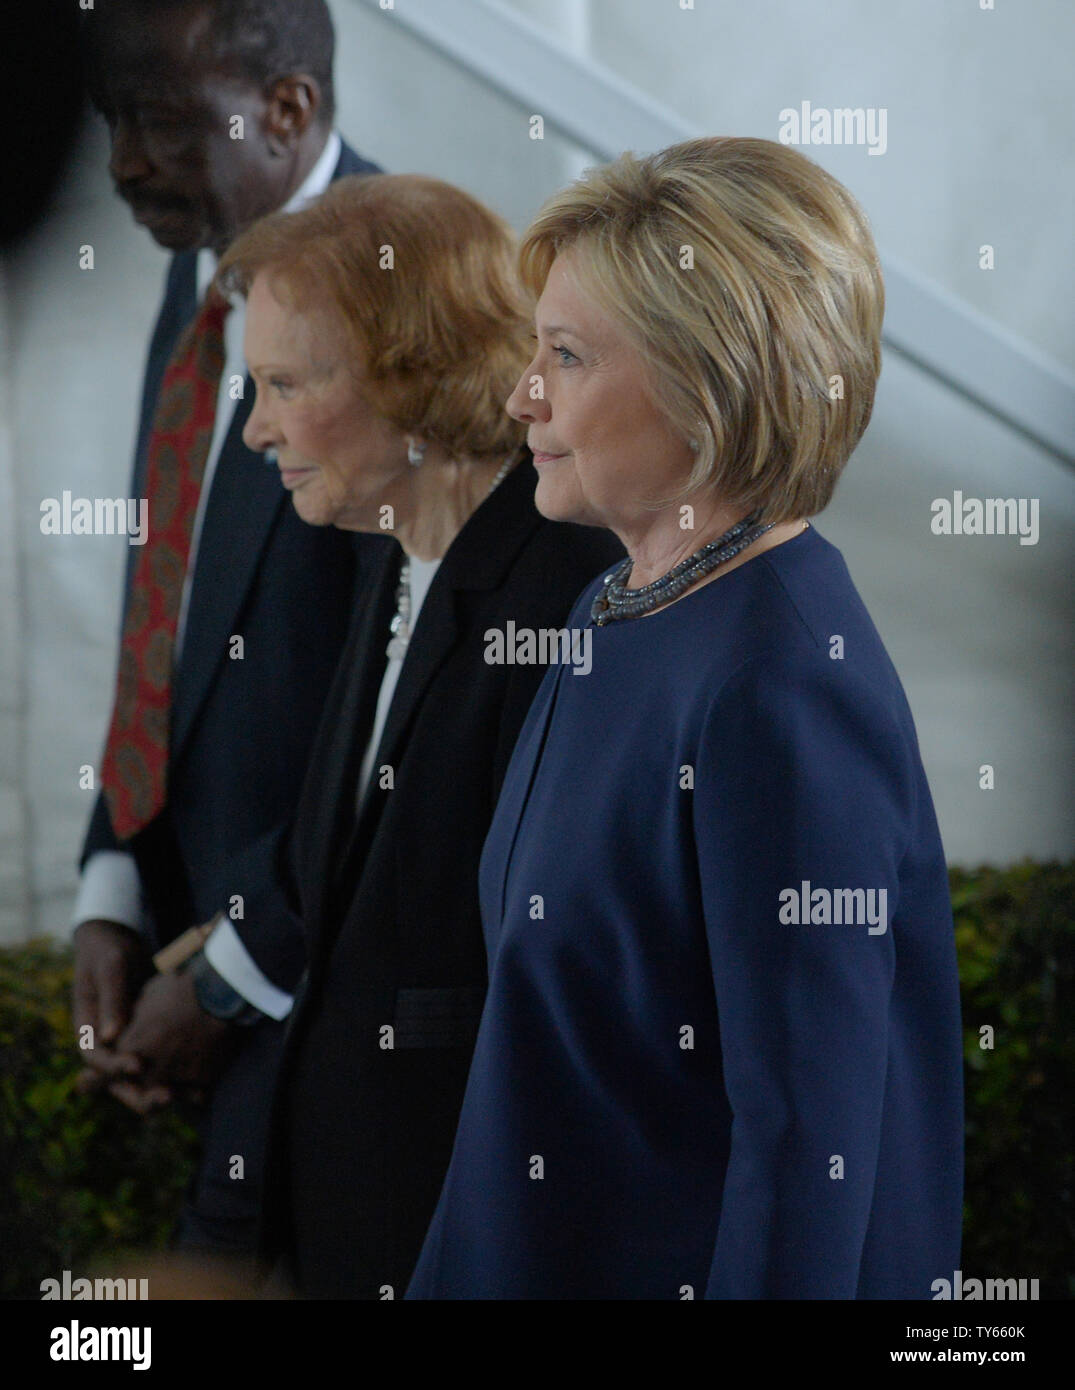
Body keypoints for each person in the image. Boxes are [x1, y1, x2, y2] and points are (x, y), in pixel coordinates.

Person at [406, 137, 964, 1300]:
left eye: (564, 355)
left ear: (709, 387)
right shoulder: (612, 603)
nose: (523, 393)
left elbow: (808, 1151)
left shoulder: (781, 684)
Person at [214, 171, 623, 1298]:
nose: (257, 430)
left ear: (417, 369)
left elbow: (558, 992)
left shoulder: (565, 594)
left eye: (288, 384)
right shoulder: (399, 558)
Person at [70, 0, 381, 1256]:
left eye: (156, 124)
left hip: (328, 1002)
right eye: (109, 122)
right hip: (192, 966)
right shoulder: (203, 270)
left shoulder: (397, 304)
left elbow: (393, 715)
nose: (121, 166)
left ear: (290, 109)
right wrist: (115, 882)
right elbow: (172, 613)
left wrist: (235, 965)